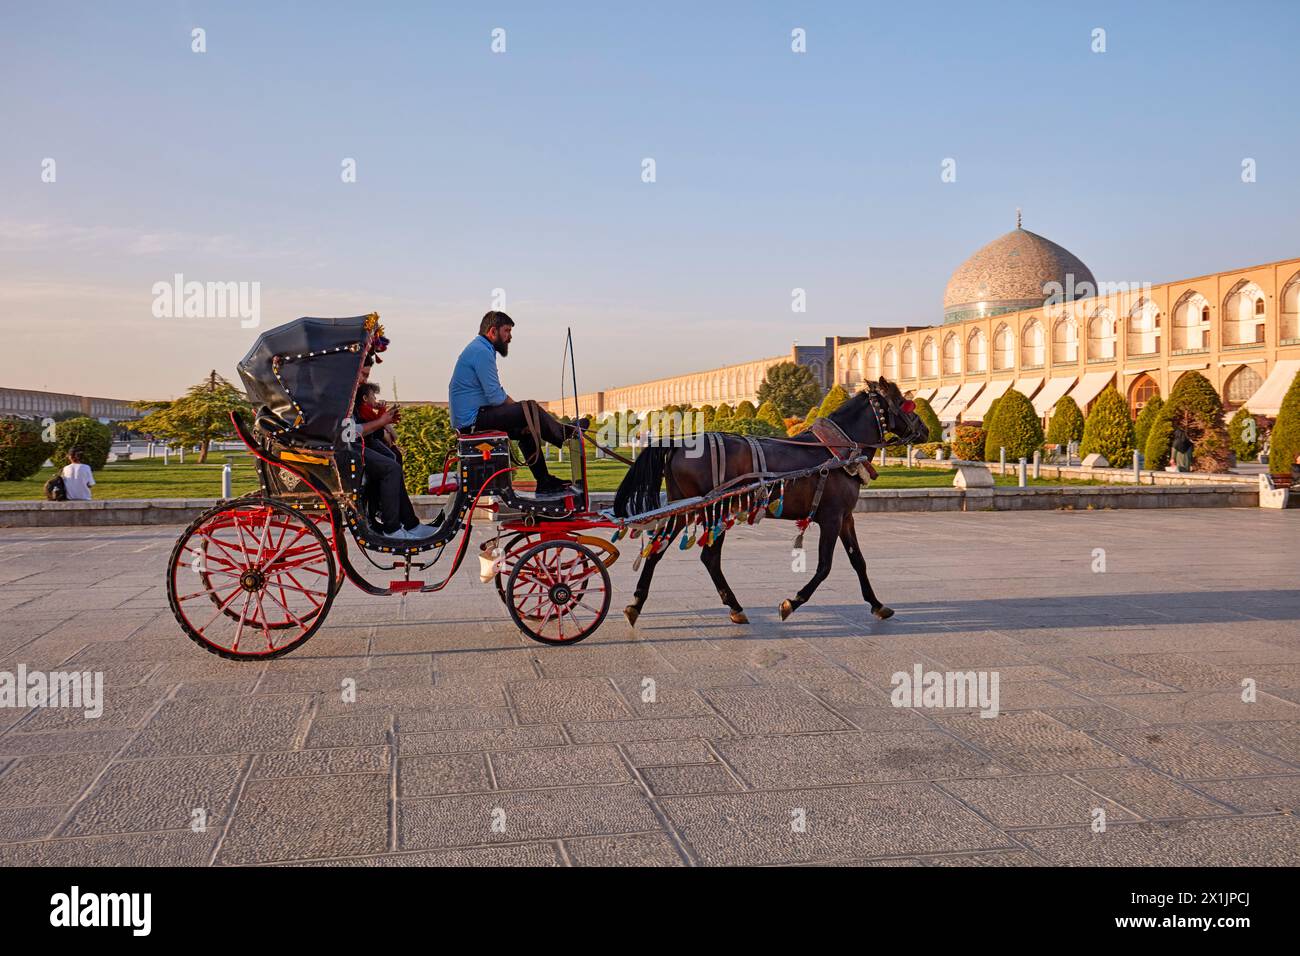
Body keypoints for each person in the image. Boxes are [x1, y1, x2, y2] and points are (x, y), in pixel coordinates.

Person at [448, 311, 587, 496]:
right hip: (473, 421)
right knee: (528, 408)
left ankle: (544, 481)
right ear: (492, 331)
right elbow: (496, 397)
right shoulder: (481, 352)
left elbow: (496, 397)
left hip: (473, 419)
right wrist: (522, 410)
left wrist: (522, 414)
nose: (510, 337)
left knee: (525, 427)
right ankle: (563, 434)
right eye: (506, 331)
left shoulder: (480, 348)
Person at [355, 358, 434, 540]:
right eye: (363, 375)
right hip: (350, 448)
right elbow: (351, 431)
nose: (364, 381)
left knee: (393, 458)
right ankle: (392, 528)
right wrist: (382, 422)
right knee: (391, 468)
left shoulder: (352, 393)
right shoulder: (347, 394)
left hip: (358, 445)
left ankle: (410, 523)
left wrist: (383, 421)